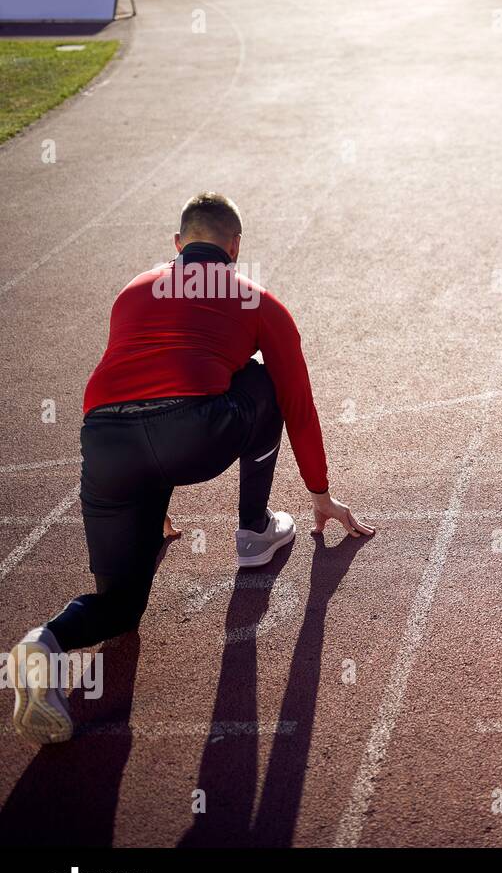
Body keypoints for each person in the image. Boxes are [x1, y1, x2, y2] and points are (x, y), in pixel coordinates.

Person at [7, 192, 373, 744]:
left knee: (118, 608)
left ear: (178, 246)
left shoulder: (133, 289)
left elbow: (145, 388)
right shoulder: (257, 299)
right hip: (191, 435)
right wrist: (320, 493)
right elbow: (296, 400)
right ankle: (254, 530)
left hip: (105, 445)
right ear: (235, 246)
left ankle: (44, 643)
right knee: (264, 378)